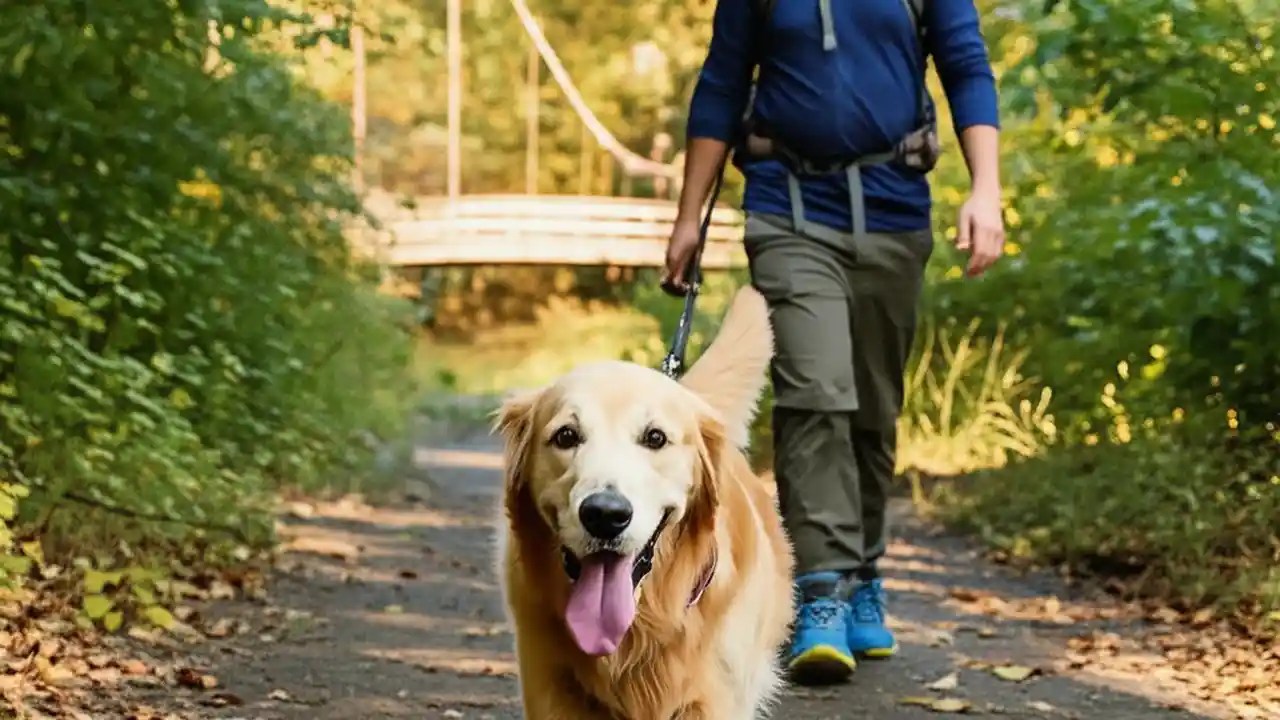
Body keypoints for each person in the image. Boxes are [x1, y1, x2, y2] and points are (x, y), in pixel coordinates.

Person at [663, 0, 1005, 685]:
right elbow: (723, 83)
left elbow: (966, 66)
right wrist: (688, 217)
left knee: (872, 409)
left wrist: (986, 190)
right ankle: (819, 589)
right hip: (786, 207)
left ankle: (863, 572)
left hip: (894, 210)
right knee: (816, 391)